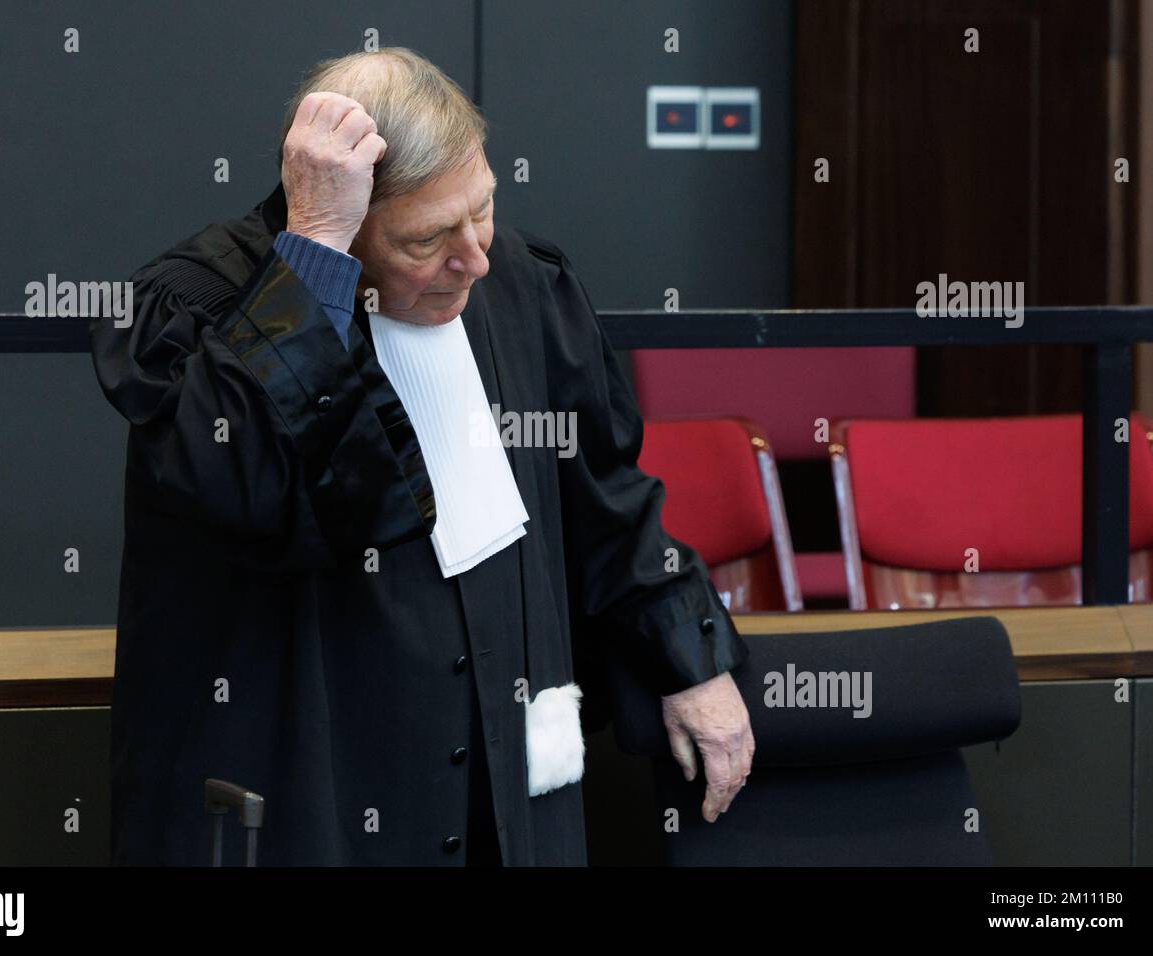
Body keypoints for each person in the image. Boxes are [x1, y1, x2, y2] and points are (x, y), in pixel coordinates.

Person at [90, 46, 754, 866]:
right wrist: (315, 263)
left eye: (483, 210)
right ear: (344, 216)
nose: (473, 256)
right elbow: (246, 487)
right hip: (313, 790)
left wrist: (690, 661)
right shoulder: (203, 305)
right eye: (428, 238)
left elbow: (606, 495)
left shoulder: (517, 282)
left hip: (505, 782)